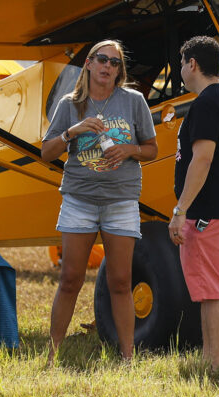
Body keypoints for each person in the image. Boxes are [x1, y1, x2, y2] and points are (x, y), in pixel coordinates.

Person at [41, 39, 157, 361]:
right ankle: (51, 355)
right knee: (69, 279)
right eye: (102, 59)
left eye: (115, 62)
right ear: (88, 64)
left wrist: (130, 149)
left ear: (120, 70)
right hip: (79, 200)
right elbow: (45, 151)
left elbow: (152, 149)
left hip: (121, 201)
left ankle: (127, 358)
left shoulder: (133, 102)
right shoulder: (69, 104)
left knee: (121, 281)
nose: (108, 66)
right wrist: (71, 132)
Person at [168, 35, 219, 376]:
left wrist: (180, 209)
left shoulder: (205, 104)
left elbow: (202, 158)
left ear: (192, 64)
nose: (181, 70)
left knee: (213, 292)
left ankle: (214, 365)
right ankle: (209, 359)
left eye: (182, 63)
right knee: (209, 289)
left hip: (206, 215)